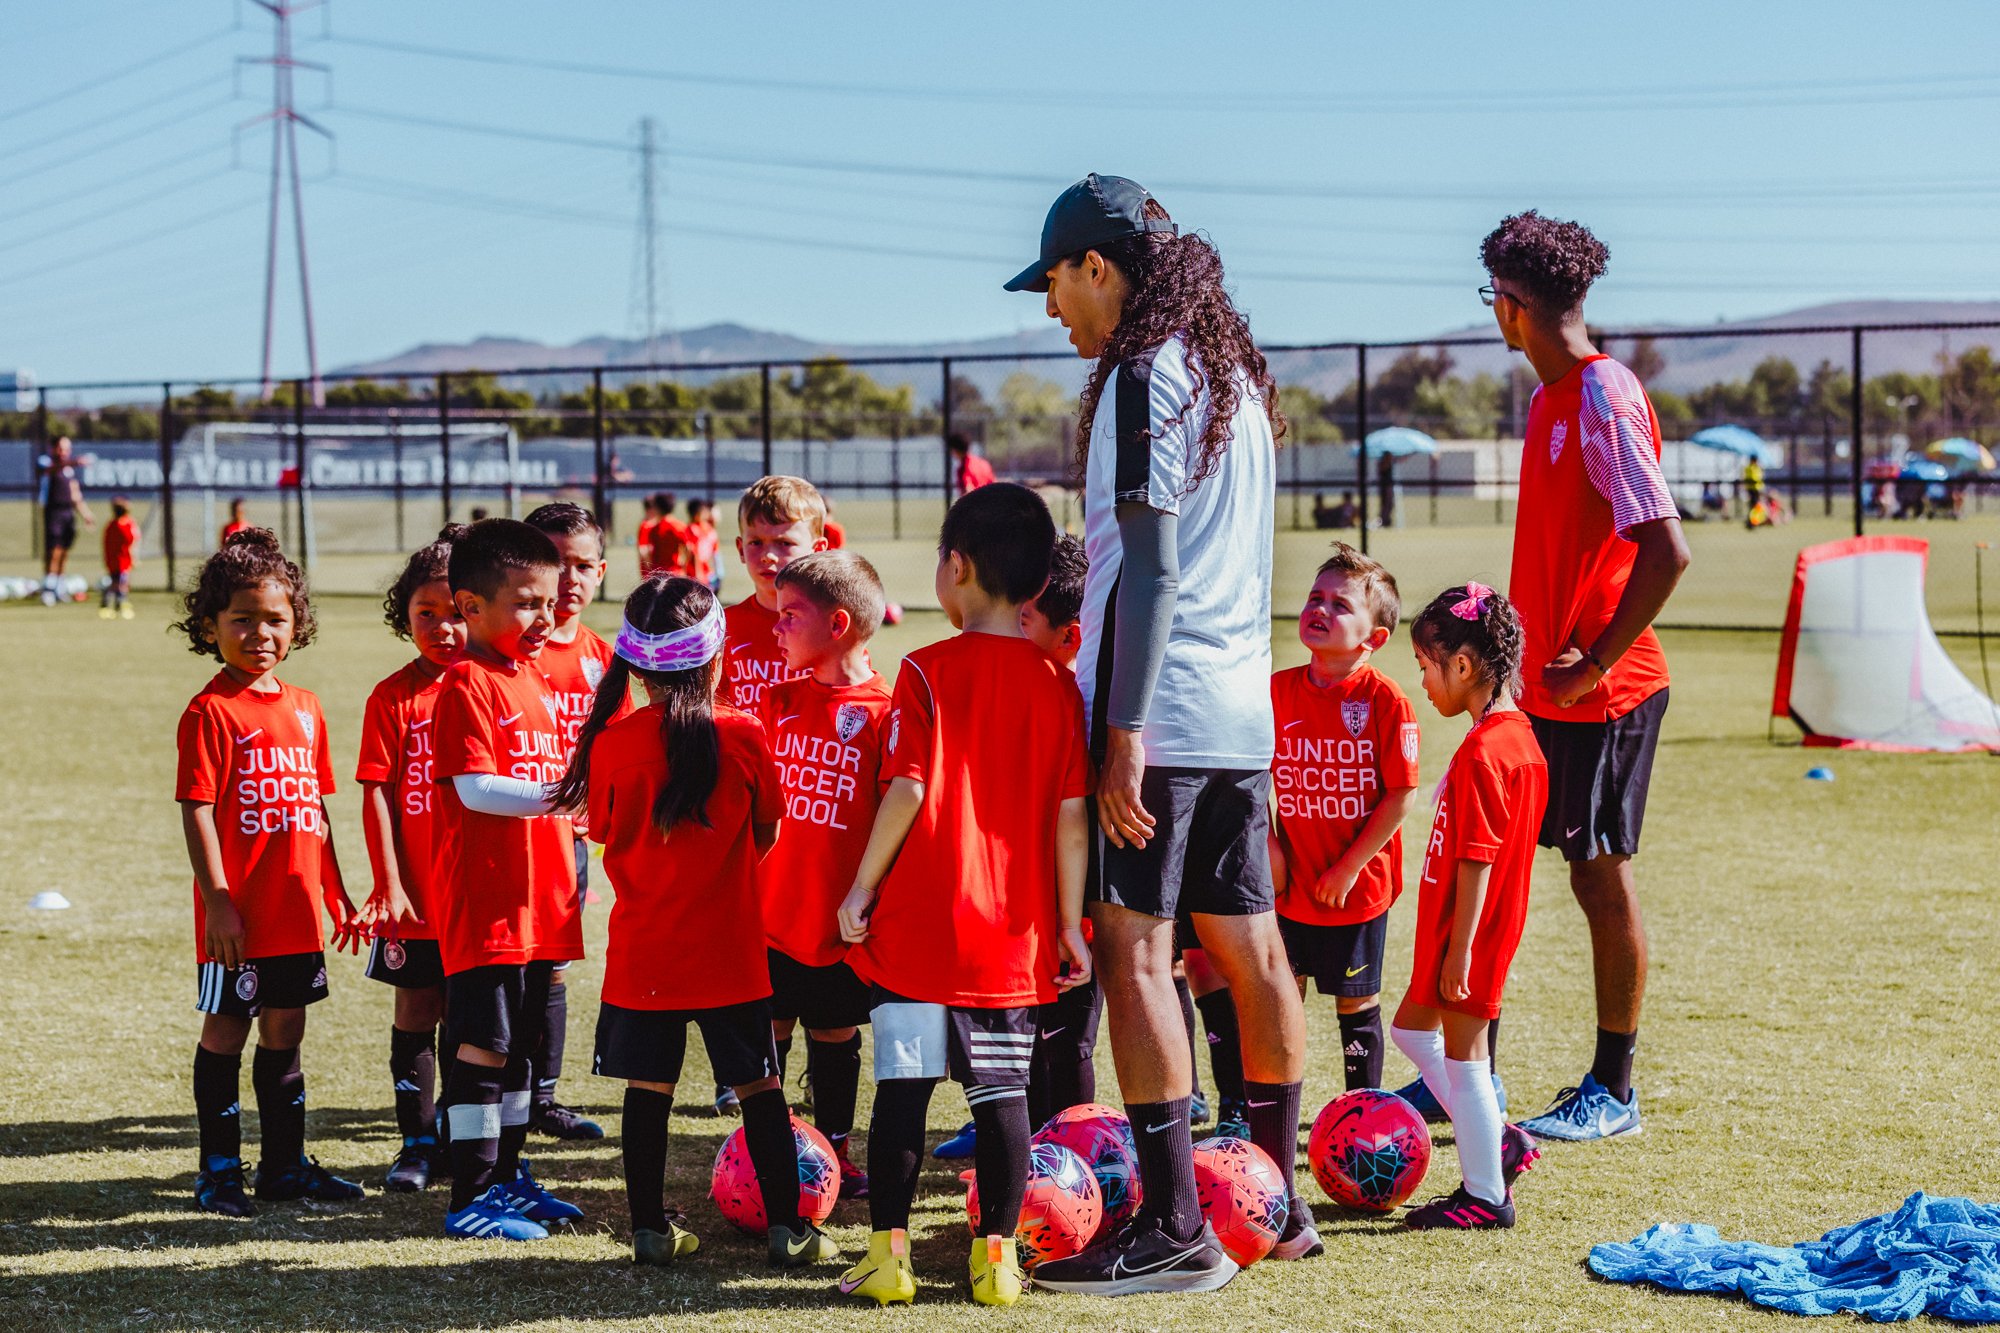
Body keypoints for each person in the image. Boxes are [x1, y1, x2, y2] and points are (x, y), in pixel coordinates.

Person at [1006, 174, 1313, 1295]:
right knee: (1251, 947)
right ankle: (1274, 1205)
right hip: (1235, 713)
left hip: (1162, 710)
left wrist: (1121, 726)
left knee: (1133, 949)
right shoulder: (1228, 369)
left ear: (1098, 266)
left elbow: (1155, 567)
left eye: (1053, 281)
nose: (1051, 310)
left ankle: (1177, 1224)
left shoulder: (1145, 372)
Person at [835, 484, 1091, 1308]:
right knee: (1002, 1099)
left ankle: (889, 1261)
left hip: (917, 931)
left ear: (957, 567)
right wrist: (1067, 924)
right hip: (1009, 938)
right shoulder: (1058, 684)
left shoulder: (923, 670)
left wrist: (862, 886)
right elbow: (1071, 820)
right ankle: (997, 1261)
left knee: (902, 1094)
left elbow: (904, 790)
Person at [548, 575, 841, 1270]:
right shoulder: (742, 732)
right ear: (716, 658)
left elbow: (608, 833)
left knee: (648, 1090)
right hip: (731, 949)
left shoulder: (614, 743)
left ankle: (649, 1230)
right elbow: (767, 829)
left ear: (637, 666)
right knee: (760, 1088)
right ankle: (788, 1232)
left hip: (645, 949)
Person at [1479, 211, 1690, 1143]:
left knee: (1599, 878)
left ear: (1511, 307)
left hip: (1608, 691)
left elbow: (1666, 549)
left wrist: (1595, 657)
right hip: (1540, 693)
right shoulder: (1547, 400)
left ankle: (1614, 1087)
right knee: (1499, 874)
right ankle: (1464, 1072)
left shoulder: (1603, 396)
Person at [172, 529, 366, 1217]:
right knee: (226, 1031)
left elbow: (316, 808)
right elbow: (196, 812)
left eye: (275, 619)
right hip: (237, 917)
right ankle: (218, 1172)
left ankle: (283, 1166)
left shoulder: (306, 706)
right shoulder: (209, 711)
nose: (260, 632)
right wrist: (219, 901)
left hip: (295, 909)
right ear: (211, 625)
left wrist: (338, 891)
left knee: (287, 1031)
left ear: (297, 623)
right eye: (242, 619)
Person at [430, 519, 588, 1240]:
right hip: (490, 903)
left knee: (523, 1046)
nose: (545, 616)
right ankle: (470, 1191)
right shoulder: (466, 680)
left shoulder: (534, 675)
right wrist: (561, 794)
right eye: (526, 601)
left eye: (550, 601)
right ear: (469, 607)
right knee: (485, 1047)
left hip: (542, 898)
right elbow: (474, 787)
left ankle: (510, 1178)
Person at [1391, 582, 1546, 1230]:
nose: (1424, 682)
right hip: (1457, 928)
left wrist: (1461, 949)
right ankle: (1498, 1138)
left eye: (1427, 666)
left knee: (1466, 1060)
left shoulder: (1488, 751)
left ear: (1462, 665)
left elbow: (1480, 855)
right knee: (1408, 1029)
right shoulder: (1517, 737)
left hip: (1468, 932)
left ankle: (1486, 1194)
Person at [758, 549, 894, 1199]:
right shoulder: (775, 701)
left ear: (838, 624)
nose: (777, 627)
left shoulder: (887, 712)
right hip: (771, 914)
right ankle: (765, 1146)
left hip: (842, 921)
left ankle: (833, 1154)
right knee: (770, 1031)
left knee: (834, 1034)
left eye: (791, 616)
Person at [1268, 544, 1420, 1095]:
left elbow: (1400, 794)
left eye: (1340, 604)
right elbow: (1253, 775)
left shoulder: (1385, 701)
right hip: (1292, 884)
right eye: (1315, 597)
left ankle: (1363, 1112)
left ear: (1374, 638)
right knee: (1282, 996)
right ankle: (1271, 1108)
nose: (1321, 610)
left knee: (1356, 1003)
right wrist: (1269, 843)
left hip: (1355, 889)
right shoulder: (1277, 690)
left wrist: (1350, 867)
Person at [355, 527, 469, 1193]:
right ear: (405, 616)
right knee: (415, 1009)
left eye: (456, 613)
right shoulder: (393, 697)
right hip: (413, 895)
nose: (442, 627)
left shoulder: (490, 687)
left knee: (470, 1015)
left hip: (472, 895)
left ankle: (463, 1136)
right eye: (426, 613)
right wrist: (388, 881)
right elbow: (375, 795)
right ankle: (416, 1142)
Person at [522, 502, 630, 1141]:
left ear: (601, 572)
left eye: (582, 565)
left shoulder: (604, 658)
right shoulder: (508, 653)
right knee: (498, 969)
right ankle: (482, 1096)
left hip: (570, 841)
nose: (569, 580)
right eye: (555, 562)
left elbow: (616, 747)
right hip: (505, 833)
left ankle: (542, 1097)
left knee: (553, 963)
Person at [1020, 534, 1104, 1126]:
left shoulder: (1080, 701)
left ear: (1069, 635)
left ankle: (1074, 1156)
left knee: (1066, 1038)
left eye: (1022, 618)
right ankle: (1028, 1155)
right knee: (1025, 1038)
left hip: (1078, 906)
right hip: (1027, 898)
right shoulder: (1026, 689)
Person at [38, 436, 92, 605]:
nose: (64, 452)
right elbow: (50, 470)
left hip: (67, 513)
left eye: (67, 449)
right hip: (53, 511)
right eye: (61, 448)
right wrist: (74, 462)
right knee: (53, 550)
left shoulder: (69, 470)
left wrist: (86, 514)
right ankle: (48, 588)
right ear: (53, 448)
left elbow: (75, 494)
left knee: (64, 550)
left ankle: (59, 588)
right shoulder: (46, 462)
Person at [100, 496, 139, 620]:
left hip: (113, 561)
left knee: (118, 583)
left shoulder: (111, 525)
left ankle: (114, 605)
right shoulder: (123, 526)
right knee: (120, 584)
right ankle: (117, 605)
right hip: (121, 562)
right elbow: (131, 541)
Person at [648, 491, 691, 577]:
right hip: (676, 572)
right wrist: (683, 564)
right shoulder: (680, 526)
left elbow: (651, 552)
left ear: (657, 508)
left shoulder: (654, 528)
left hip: (658, 573)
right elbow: (689, 548)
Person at [686, 498, 722, 592]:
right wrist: (699, 573)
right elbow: (694, 553)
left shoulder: (707, 528)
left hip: (707, 572)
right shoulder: (692, 530)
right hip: (695, 573)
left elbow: (714, 548)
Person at [635, 494, 661, 578]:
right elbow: (642, 549)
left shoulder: (657, 524)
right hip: (650, 569)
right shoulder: (646, 526)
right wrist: (650, 567)